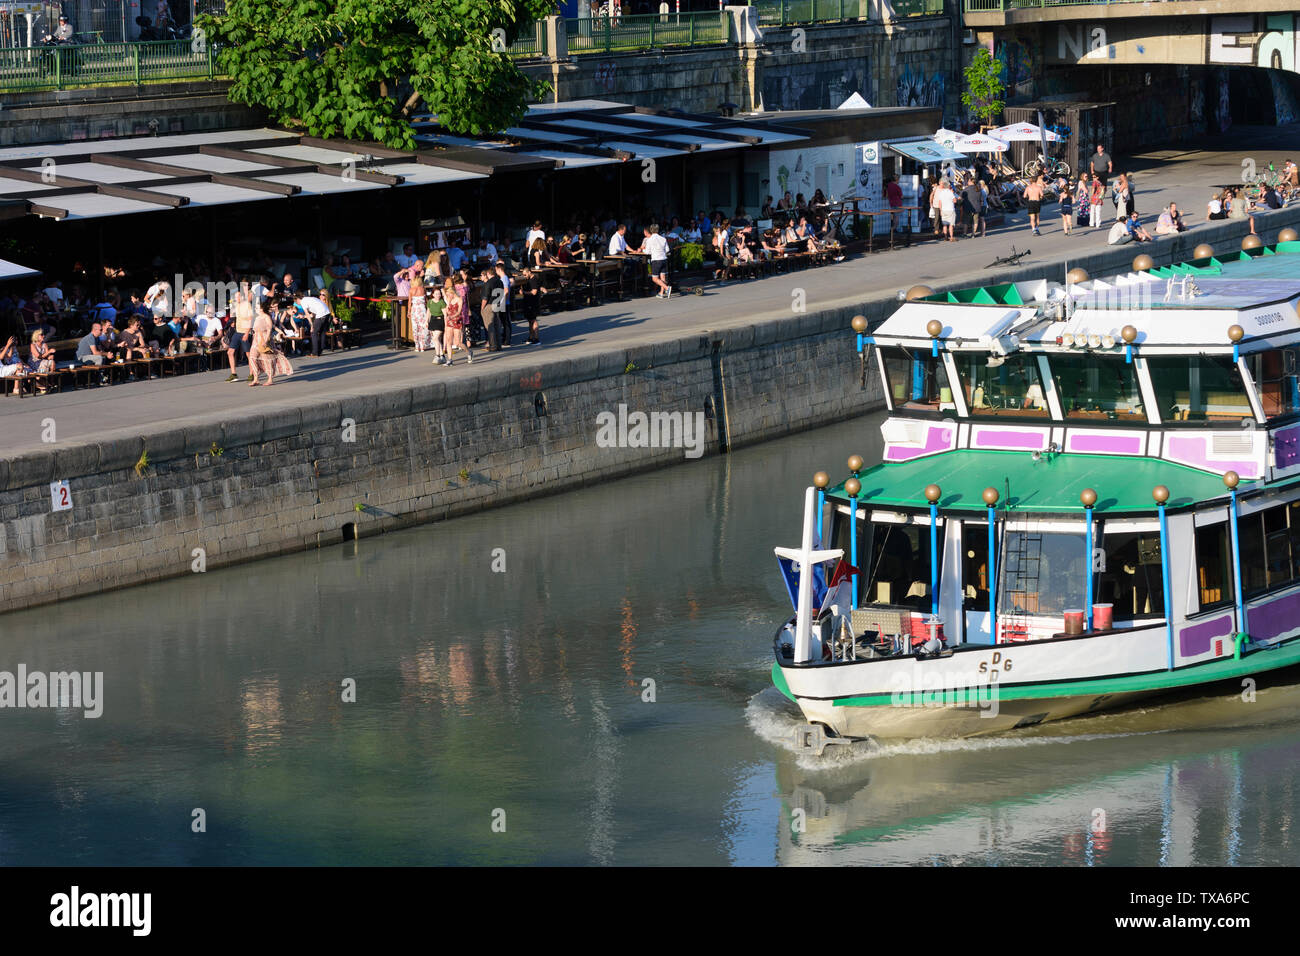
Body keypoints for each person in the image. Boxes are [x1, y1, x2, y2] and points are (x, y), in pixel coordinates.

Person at [249, 299, 293, 386]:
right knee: (252, 357)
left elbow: (269, 329)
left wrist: (266, 341)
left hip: (266, 339)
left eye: (257, 308)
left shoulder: (267, 317)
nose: (256, 309)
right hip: (256, 341)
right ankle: (256, 378)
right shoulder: (257, 317)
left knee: (268, 359)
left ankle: (270, 379)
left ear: (262, 309)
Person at [225, 290, 255, 381]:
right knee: (230, 352)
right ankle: (234, 374)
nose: (236, 298)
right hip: (237, 332)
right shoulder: (237, 306)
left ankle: (252, 374)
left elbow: (251, 320)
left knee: (248, 354)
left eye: (238, 296)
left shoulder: (247, 305)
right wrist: (234, 323)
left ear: (242, 297)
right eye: (235, 297)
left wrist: (246, 333)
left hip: (245, 332)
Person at [296, 290, 333, 357]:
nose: (297, 303)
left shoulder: (303, 302)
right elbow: (312, 315)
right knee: (322, 332)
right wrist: (303, 316)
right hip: (327, 313)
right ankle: (320, 351)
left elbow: (307, 314)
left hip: (321, 315)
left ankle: (315, 353)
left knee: (313, 333)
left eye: (296, 301)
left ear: (298, 299)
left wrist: (311, 325)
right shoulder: (310, 299)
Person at [404, 262, 429, 352]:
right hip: (422, 309)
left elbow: (410, 302)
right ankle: (423, 345)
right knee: (423, 328)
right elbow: (426, 301)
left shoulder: (411, 290)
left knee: (415, 328)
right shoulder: (423, 289)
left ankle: (417, 346)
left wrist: (408, 312)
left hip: (414, 310)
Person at [643, 223, 671, 299]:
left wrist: (643, 249)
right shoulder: (663, 238)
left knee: (654, 278)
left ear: (651, 230)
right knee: (663, 278)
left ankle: (667, 288)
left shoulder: (650, 240)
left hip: (656, 260)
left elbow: (647, 252)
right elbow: (667, 250)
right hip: (664, 259)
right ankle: (661, 293)